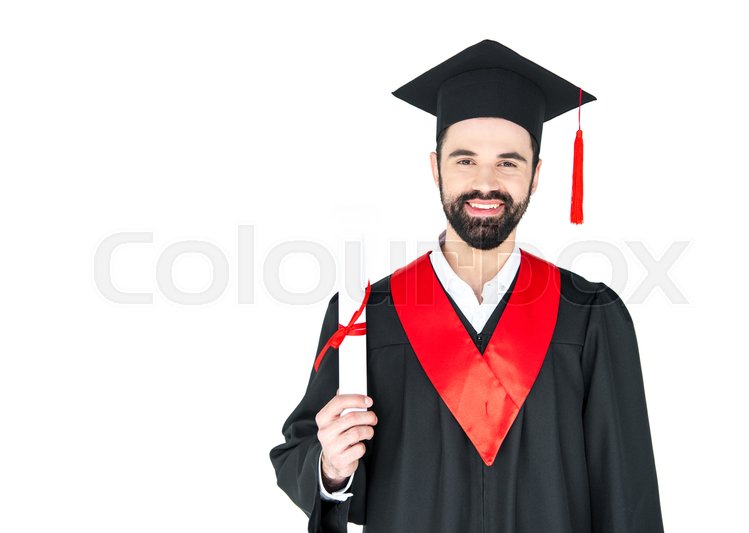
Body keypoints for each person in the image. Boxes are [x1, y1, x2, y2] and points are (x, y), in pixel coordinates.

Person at [270, 39, 664, 533]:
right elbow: (300, 457)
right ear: (435, 168)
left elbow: (627, 498)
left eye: (508, 162)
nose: (485, 181)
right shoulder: (367, 316)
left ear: (536, 175)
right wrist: (330, 469)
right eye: (464, 160)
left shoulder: (588, 316)